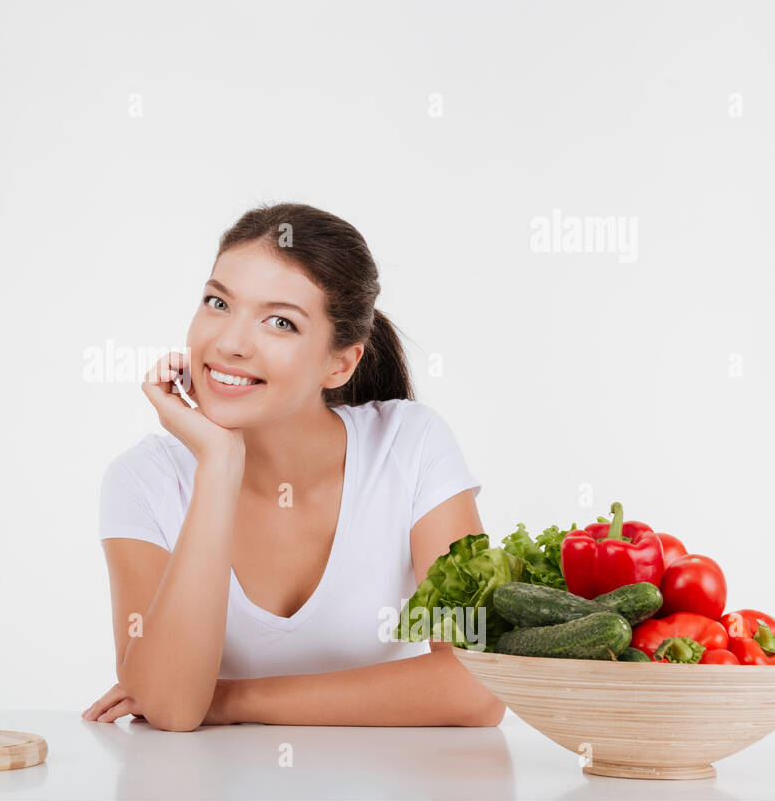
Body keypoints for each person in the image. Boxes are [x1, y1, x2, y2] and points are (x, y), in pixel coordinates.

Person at [85, 203, 505, 731]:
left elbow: (480, 684)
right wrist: (218, 466)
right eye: (218, 302)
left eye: (280, 322)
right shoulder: (142, 480)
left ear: (340, 363)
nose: (230, 343)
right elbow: (170, 706)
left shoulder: (412, 446)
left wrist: (228, 700)